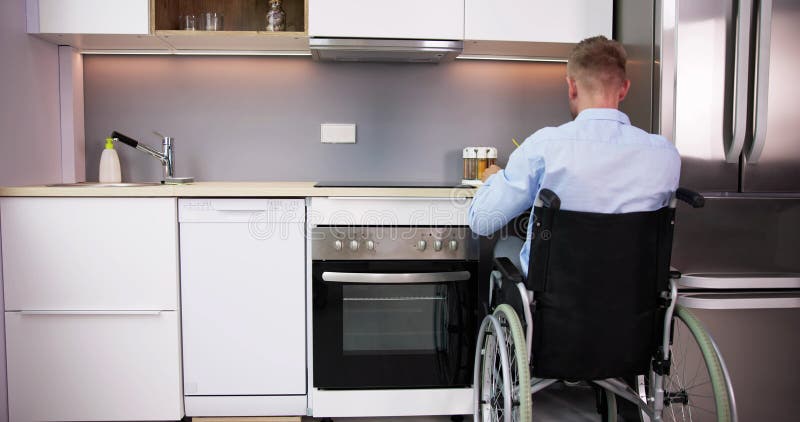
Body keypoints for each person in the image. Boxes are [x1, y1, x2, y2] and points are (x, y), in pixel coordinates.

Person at [468, 35, 681, 276]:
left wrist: (495, 179)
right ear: (624, 89)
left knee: (506, 246)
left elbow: (482, 221)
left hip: (554, 307)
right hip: (634, 304)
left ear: (572, 87)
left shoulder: (544, 146)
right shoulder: (665, 155)